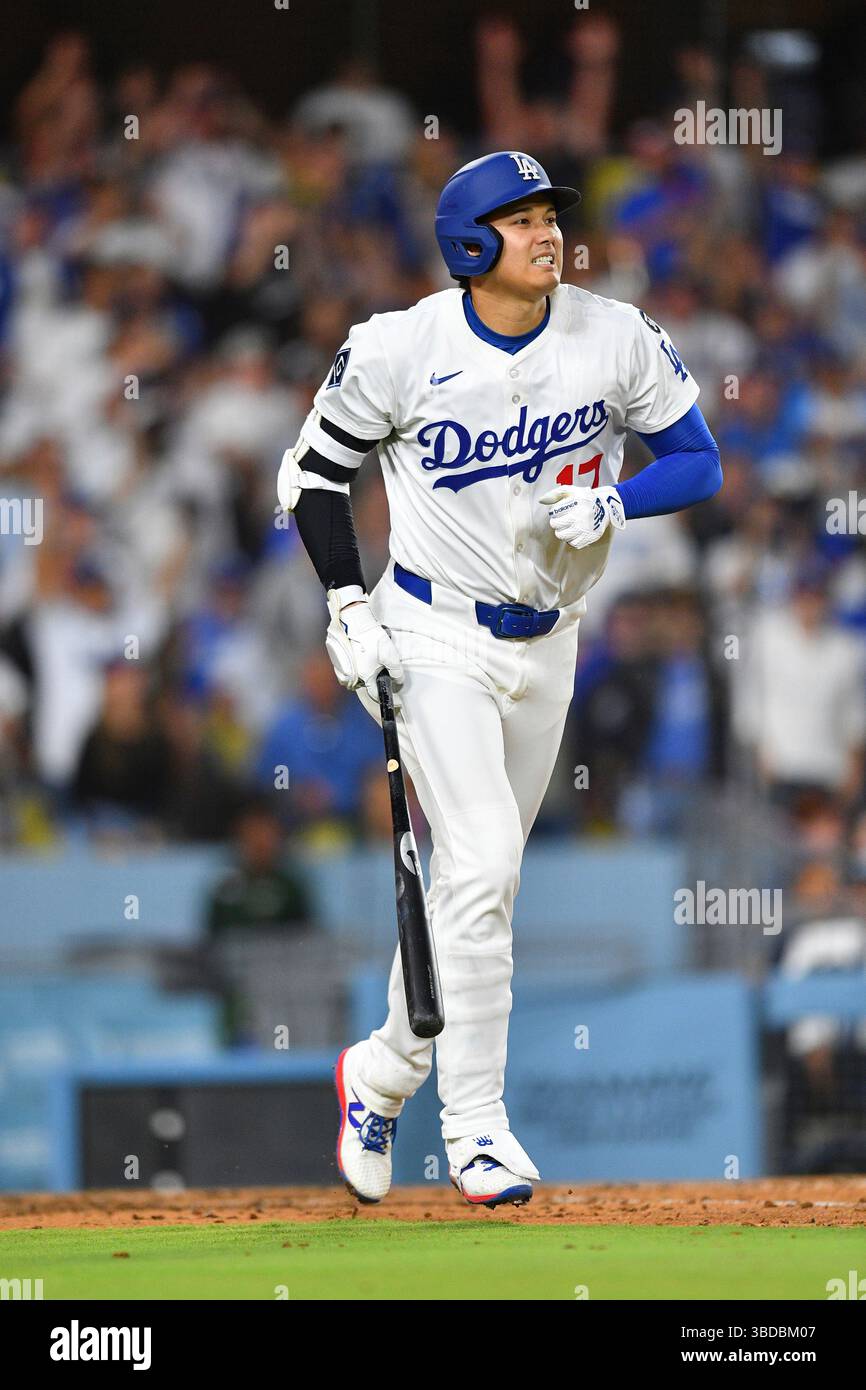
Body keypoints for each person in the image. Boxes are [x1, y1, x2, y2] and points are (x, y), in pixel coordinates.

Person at [277, 151, 722, 1208]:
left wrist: (619, 499)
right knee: (477, 860)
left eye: (549, 216)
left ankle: (379, 1074)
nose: (547, 234)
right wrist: (346, 604)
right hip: (431, 633)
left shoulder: (610, 333)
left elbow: (698, 458)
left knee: (472, 883)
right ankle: (475, 1129)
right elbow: (313, 479)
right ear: (471, 244)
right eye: (521, 219)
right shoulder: (401, 345)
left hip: (549, 644)